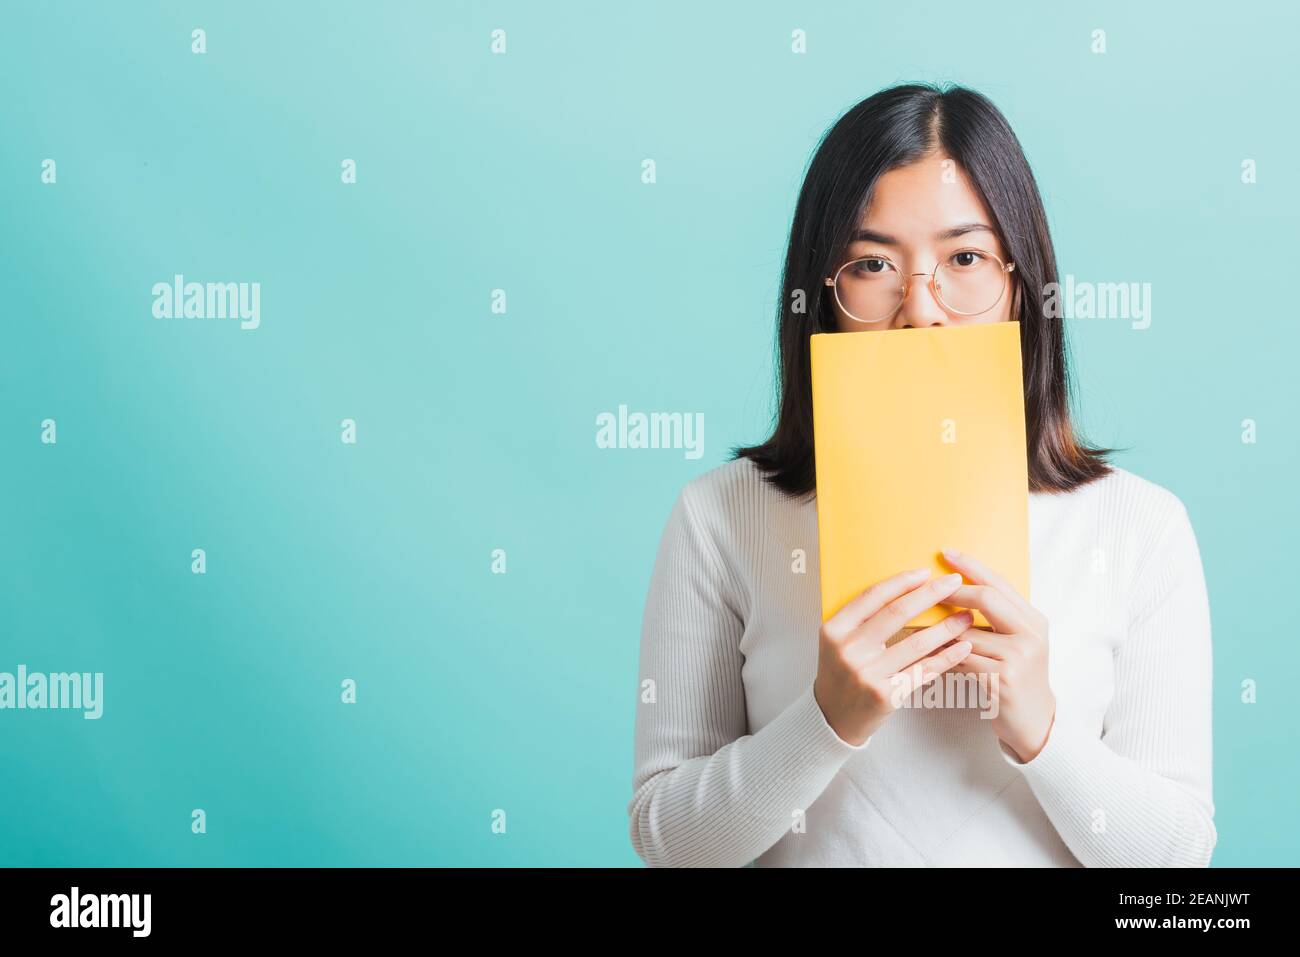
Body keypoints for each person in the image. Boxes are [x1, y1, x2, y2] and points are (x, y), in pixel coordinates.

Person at [627, 83, 1216, 867]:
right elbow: (667, 840)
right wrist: (825, 719)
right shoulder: (720, 516)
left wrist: (1042, 730)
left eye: (964, 258)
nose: (922, 310)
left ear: (1019, 285)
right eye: (872, 263)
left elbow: (1178, 861)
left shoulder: (1140, 526)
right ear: (821, 292)